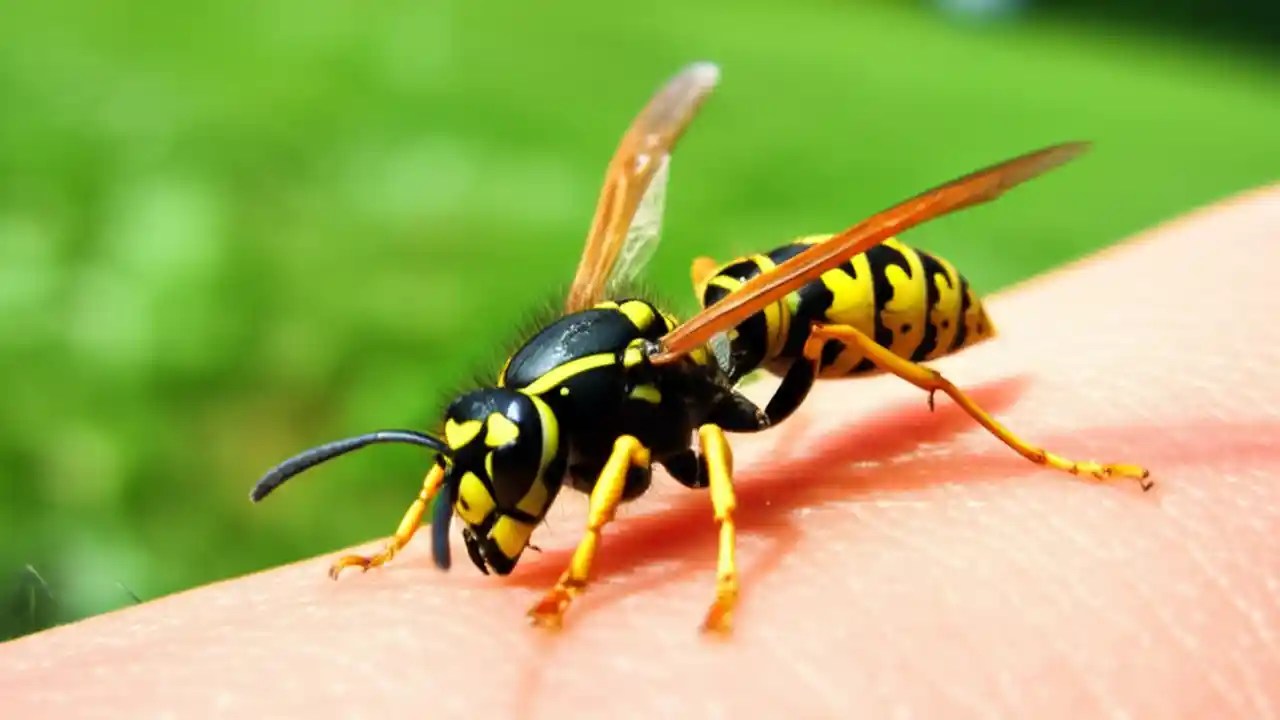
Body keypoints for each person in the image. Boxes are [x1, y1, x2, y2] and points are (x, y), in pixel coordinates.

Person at [2, 185, 1277, 718]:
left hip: (856, 303)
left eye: (481, 480)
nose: (490, 492)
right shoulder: (543, 416)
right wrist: (403, 543)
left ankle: (1033, 452)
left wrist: (697, 570)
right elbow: (501, 447)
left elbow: (658, 460)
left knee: (825, 332)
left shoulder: (638, 417)